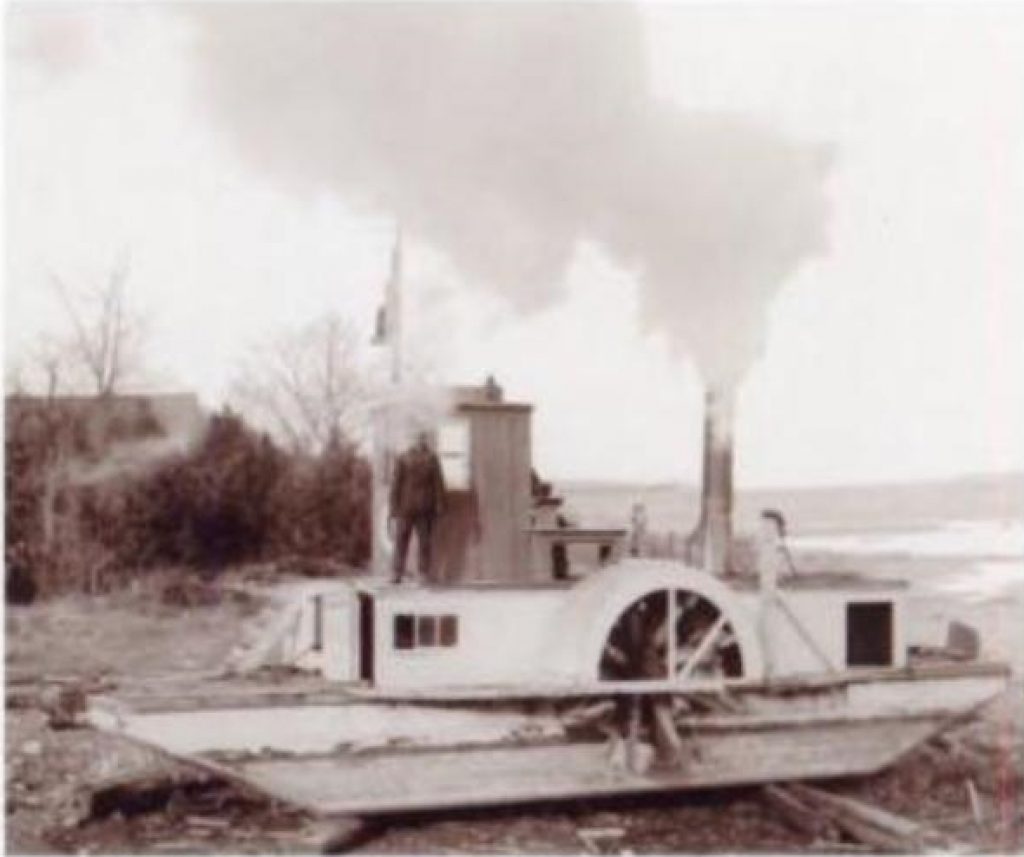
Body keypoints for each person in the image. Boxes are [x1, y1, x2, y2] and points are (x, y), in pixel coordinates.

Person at [389, 430, 447, 584]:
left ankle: (423, 574)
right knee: (401, 541)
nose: (419, 441)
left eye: (422, 438)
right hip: (405, 508)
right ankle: (397, 573)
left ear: (425, 440)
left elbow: (438, 483)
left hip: (425, 508)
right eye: (416, 438)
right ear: (411, 440)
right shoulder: (403, 458)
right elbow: (396, 484)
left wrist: (440, 505)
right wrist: (393, 509)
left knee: (425, 543)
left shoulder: (432, 458)